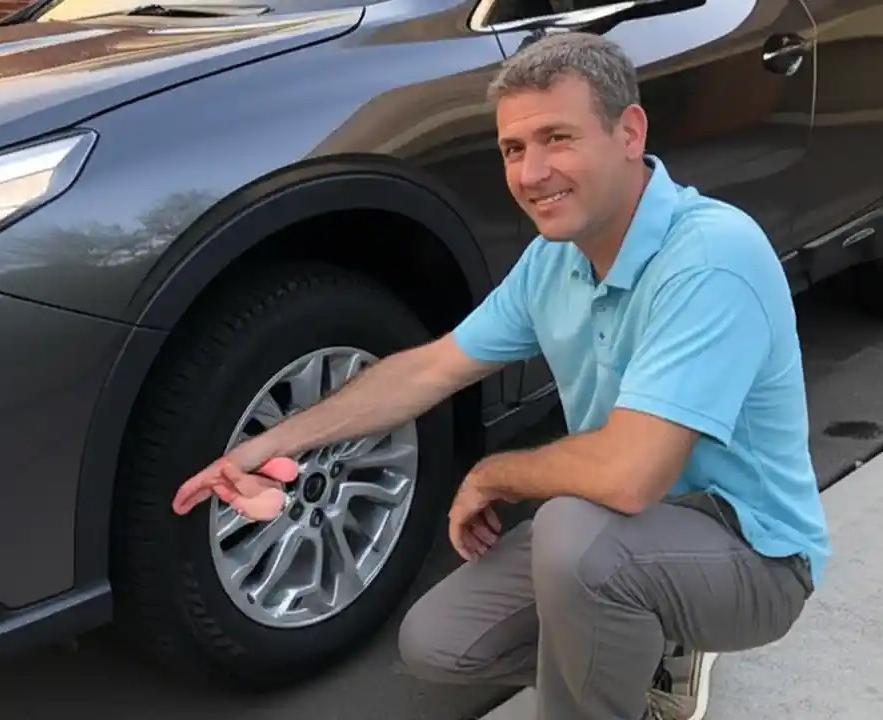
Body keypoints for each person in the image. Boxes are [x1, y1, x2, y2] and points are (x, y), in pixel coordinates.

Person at [172, 31, 831, 720]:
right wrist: (273, 444)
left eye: (557, 138)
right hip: (628, 536)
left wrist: (490, 476)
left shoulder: (710, 258)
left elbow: (628, 477)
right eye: (514, 149)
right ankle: (649, 653)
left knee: (577, 536)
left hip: (754, 556)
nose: (531, 173)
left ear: (628, 132)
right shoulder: (559, 259)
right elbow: (430, 368)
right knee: (440, 641)